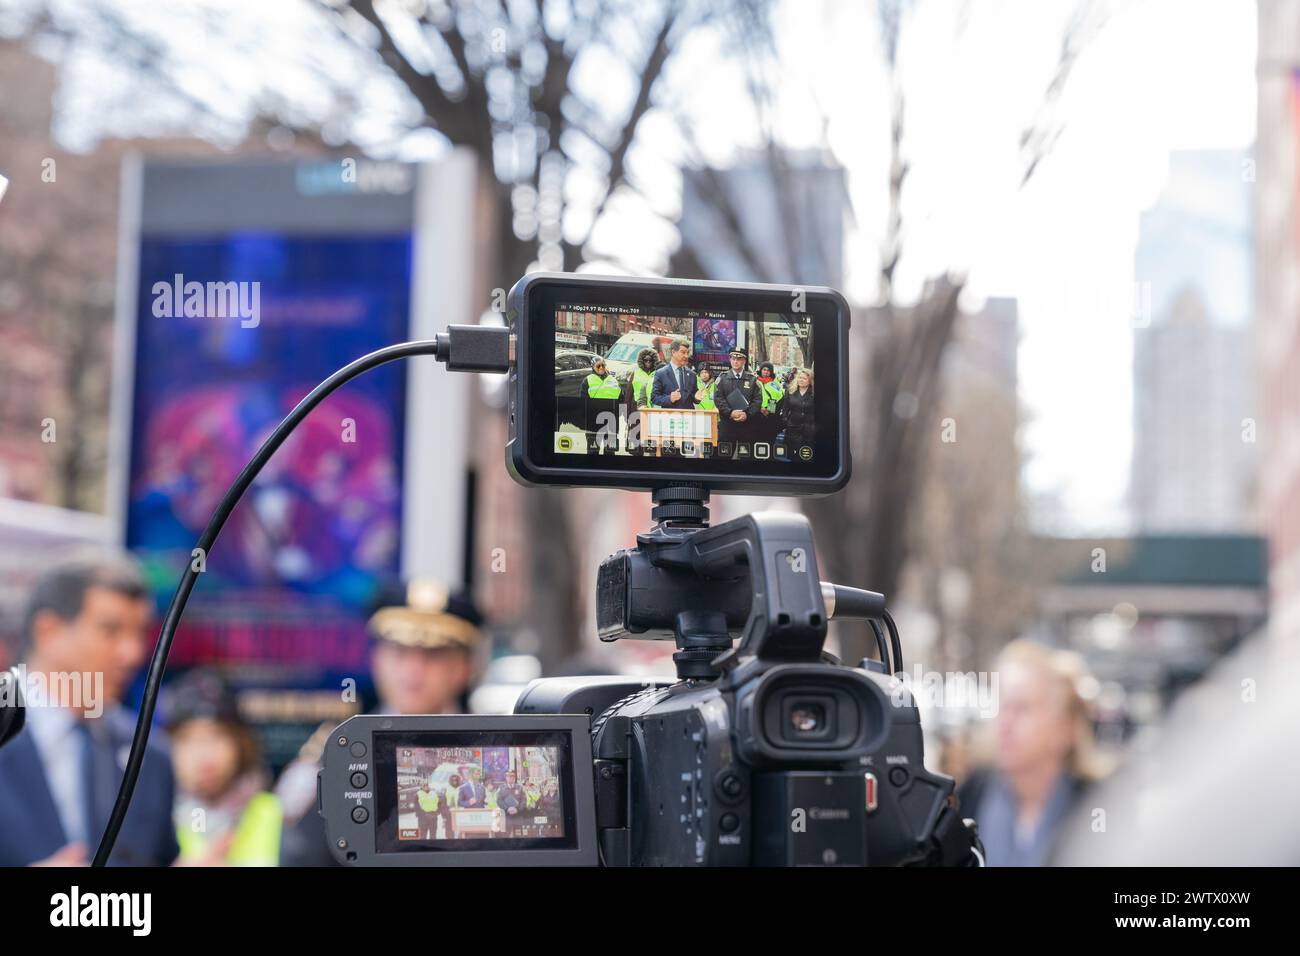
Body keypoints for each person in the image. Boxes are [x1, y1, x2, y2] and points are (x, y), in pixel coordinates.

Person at [276, 579, 486, 865]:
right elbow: (305, 852)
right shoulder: (335, 748)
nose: (413, 670)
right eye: (399, 652)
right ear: (377, 659)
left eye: (433, 655)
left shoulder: (492, 746)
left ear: (464, 668)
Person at [0, 554, 180, 867]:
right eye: (111, 631)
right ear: (49, 632)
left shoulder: (150, 758)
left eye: (140, 633)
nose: (133, 653)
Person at [958, 640, 1109, 866]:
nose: (1004, 724)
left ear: (1065, 727)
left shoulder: (1099, 810)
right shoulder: (970, 795)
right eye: (1001, 706)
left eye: (1021, 708)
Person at [167, 669, 282, 866]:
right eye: (188, 739)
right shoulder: (150, 818)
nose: (205, 756)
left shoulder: (277, 814)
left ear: (240, 743)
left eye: (217, 736)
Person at [713, 347, 761, 450]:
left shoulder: (752, 379)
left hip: (746, 425)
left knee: (746, 457)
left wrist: (747, 414)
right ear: (730, 359)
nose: (735, 361)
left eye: (739, 359)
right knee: (724, 456)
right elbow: (718, 399)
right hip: (727, 425)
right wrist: (730, 412)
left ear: (744, 361)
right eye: (733, 358)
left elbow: (757, 401)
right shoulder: (722, 378)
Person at [583, 356, 622, 454]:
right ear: (593, 367)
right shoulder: (587, 380)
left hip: (611, 421)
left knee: (609, 452)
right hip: (593, 421)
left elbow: (621, 398)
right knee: (593, 451)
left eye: (603, 365)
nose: (601, 367)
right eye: (598, 366)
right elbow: (583, 402)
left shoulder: (614, 380)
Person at [650, 339, 696, 411]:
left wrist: (697, 398)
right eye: (683, 352)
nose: (686, 356)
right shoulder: (661, 373)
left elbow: (693, 397)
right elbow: (654, 398)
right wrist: (669, 398)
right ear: (673, 352)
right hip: (670, 418)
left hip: (689, 418)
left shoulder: (692, 374)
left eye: (687, 353)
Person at [781, 367, 815, 459]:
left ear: (810, 380)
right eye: (800, 377)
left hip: (809, 431)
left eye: (804, 378)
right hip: (793, 429)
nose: (801, 380)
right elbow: (785, 409)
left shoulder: (814, 393)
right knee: (793, 456)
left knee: (807, 457)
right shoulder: (791, 391)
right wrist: (786, 422)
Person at [754, 361, 784, 449]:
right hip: (756, 414)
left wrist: (769, 410)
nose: (766, 372)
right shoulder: (754, 381)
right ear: (761, 370)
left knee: (769, 442)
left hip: (770, 416)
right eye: (764, 369)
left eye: (768, 370)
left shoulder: (775, 383)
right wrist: (760, 409)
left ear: (771, 372)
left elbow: (778, 397)